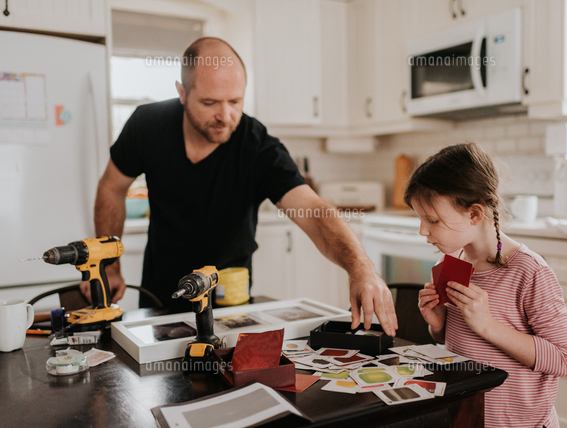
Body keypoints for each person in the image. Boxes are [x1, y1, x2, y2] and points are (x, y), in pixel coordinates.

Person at [84, 37, 397, 335]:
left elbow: (314, 211)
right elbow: (112, 187)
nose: (226, 115)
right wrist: (108, 266)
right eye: (210, 102)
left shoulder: (257, 146)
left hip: (228, 302)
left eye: (235, 101)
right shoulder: (147, 125)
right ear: (182, 92)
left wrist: (361, 269)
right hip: (159, 297)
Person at [409, 143, 567, 428]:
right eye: (421, 219)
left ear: (474, 214)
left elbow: (564, 359)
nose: (423, 231)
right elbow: (458, 344)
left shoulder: (528, 271)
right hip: (467, 417)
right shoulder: (450, 263)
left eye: (432, 220)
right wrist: (438, 326)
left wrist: (487, 325)